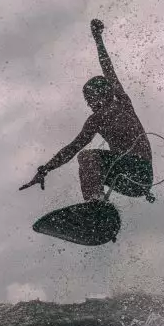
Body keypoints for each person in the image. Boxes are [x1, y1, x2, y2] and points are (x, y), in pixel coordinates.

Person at [20, 19, 153, 202]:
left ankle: (96, 203)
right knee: (86, 158)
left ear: (104, 93)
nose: (89, 104)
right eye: (87, 101)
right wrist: (46, 168)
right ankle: (96, 206)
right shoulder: (95, 121)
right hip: (124, 177)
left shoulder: (122, 102)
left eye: (90, 99)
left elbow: (108, 68)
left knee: (88, 156)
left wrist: (98, 39)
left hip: (140, 172)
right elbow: (72, 148)